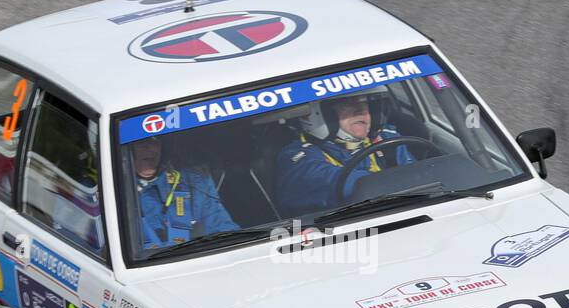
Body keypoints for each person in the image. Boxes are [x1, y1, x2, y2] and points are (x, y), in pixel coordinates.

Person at [273, 90, 414, 216]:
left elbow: (418, 177)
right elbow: (337, 183)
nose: (361, 111)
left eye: (365, 103)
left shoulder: (388, 139)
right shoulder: (297, 156)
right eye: (346, 104)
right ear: (317, 114)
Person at [130, 137, 238, 250]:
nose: (150, 147)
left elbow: (224, 230)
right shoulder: (114, 195)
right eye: (141, 142)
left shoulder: (195, 182)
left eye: (154, 140)